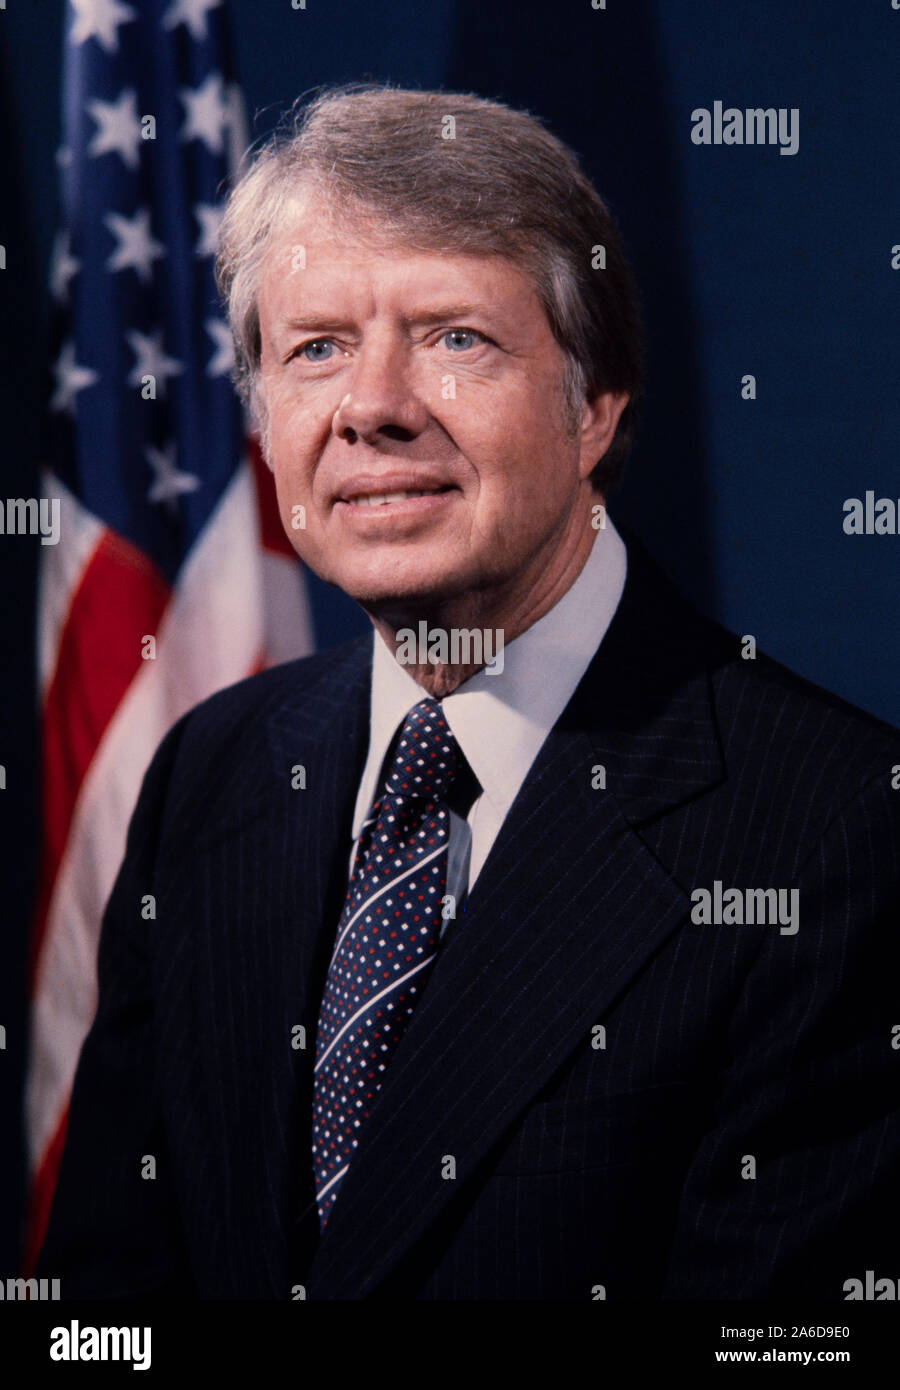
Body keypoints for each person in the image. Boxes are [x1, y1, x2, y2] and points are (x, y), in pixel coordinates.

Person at [37, 84, 900, 1300]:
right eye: (317, 348)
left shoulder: (835, 829)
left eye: (454, 337)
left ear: (593, 407)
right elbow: (97, 1313)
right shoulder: (210, 772)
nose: (373, 408)